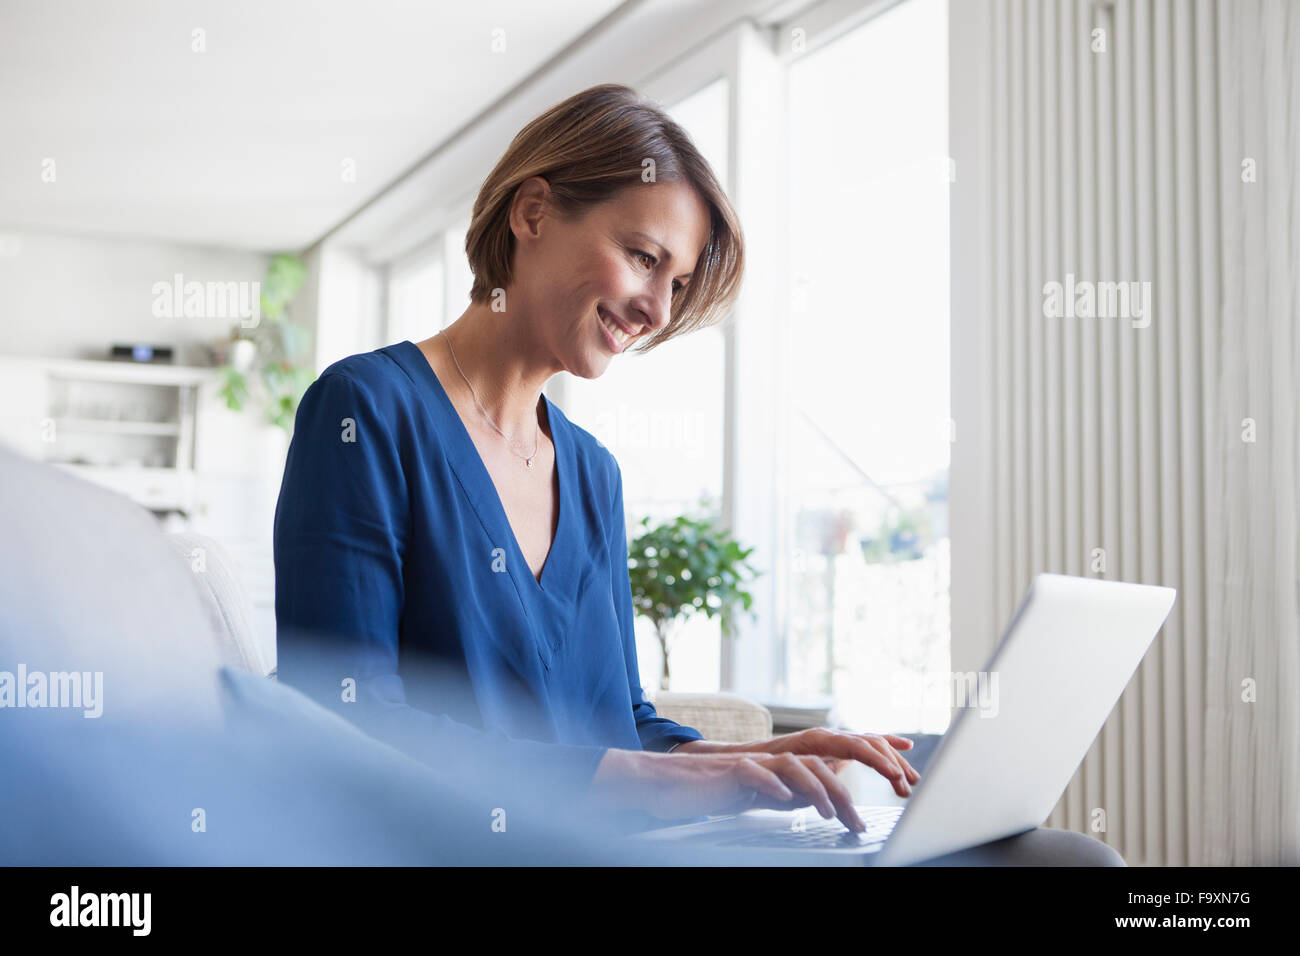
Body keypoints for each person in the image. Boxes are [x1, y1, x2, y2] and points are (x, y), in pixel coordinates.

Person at [273, 83, 920, 838]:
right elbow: (342, 723)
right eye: (644, 258)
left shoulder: (592, 474)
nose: (659, 311)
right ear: (533, 213)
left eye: (676, 283)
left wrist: (755, 759)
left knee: (1047, 855)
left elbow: (618, 724)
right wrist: (663, 779)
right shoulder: (367, 410)